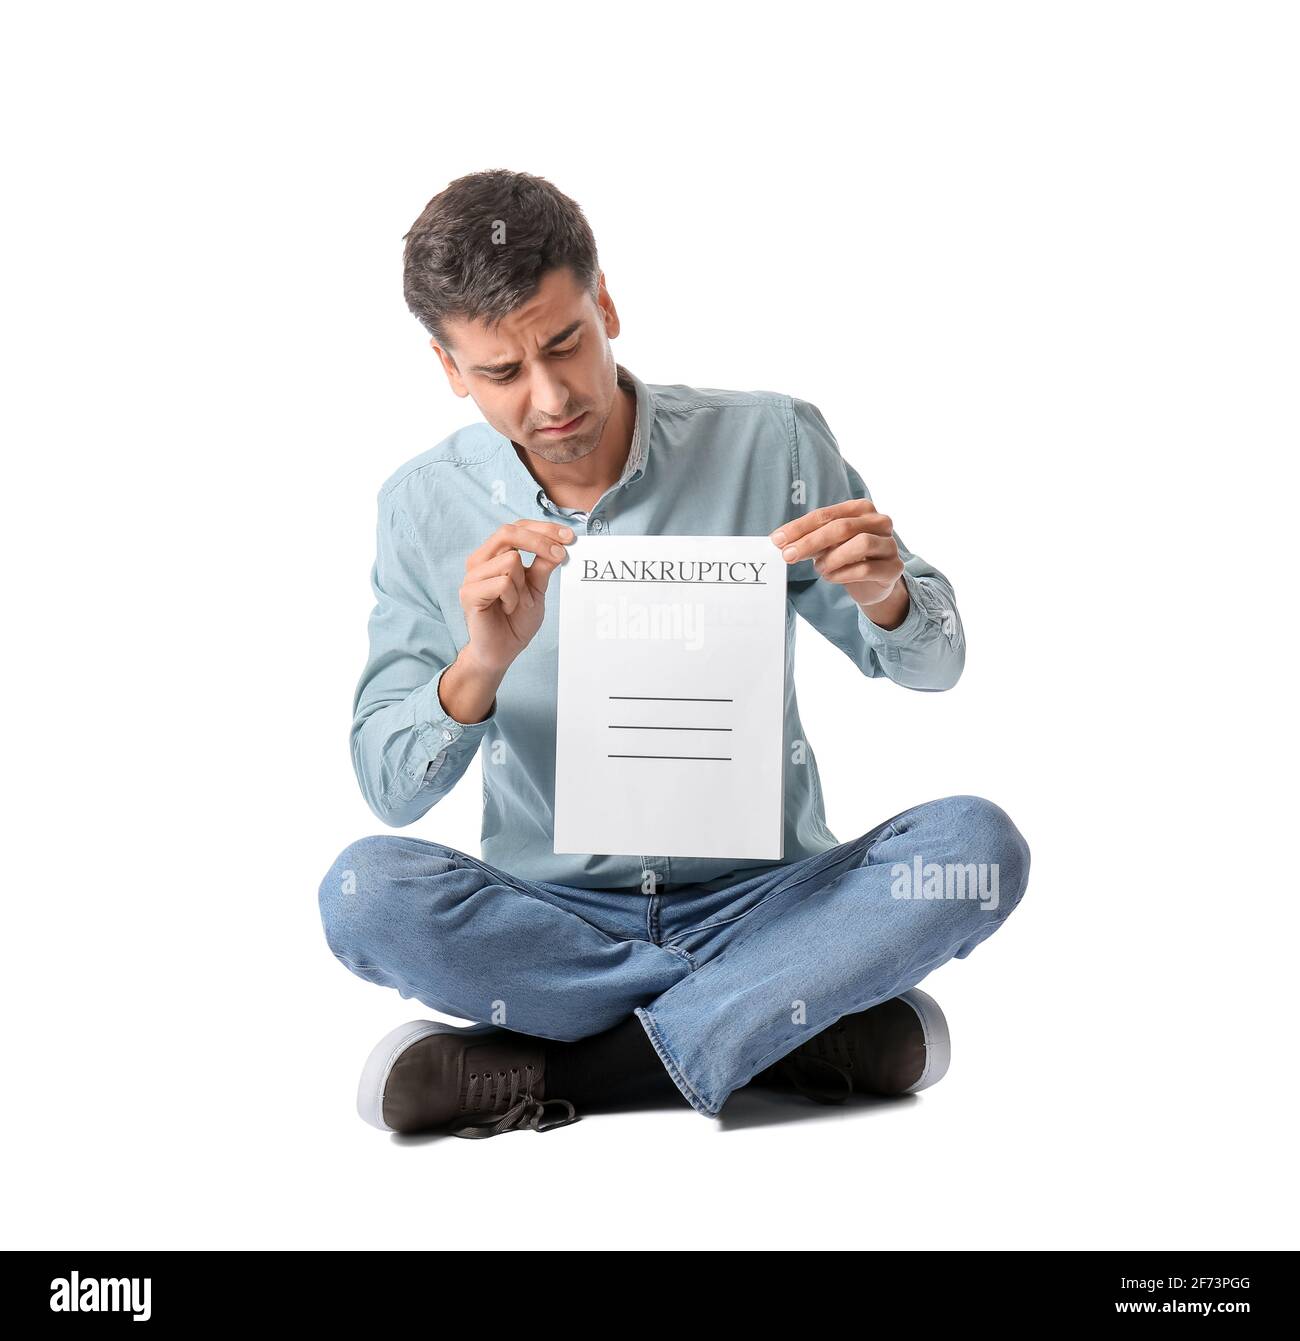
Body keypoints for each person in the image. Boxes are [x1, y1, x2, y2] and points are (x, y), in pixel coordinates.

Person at [318, 170, 1031, 1139]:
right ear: (449, 369)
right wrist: (478, 665)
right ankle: (784, 1022)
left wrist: (888, 596)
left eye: (566, 343)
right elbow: (387, 786)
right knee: (367, 895)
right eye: (500, 373)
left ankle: (584, 1069)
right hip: (557, 922)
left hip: (771, 902)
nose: (552, 395)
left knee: (974, 852)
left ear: (605, 303)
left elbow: (936, 666)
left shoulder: (768, 439)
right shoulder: (421, 505)